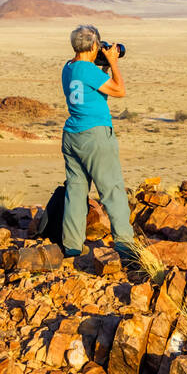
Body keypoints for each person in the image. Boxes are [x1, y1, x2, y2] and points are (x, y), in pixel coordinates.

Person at [59, 24, 136, 258]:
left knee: (75, 189)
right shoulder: (88, 71)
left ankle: (72, 246)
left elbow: (90, 82)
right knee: (111, 189)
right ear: (94, 46)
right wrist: (113, 61)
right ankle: (125, 245)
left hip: (72, 135)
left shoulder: (68, 67)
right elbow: (120, 90)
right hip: (95, 136)